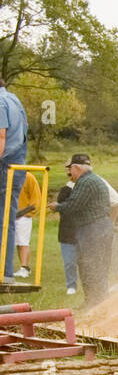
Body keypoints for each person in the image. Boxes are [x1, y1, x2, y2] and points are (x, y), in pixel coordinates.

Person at [48, 154, 112, 306]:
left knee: (89, 267)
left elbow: (73, 205)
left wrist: (57, 207)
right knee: (99, 267)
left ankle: (94, 302)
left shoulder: (84, 182)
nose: (70, 172)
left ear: (76, 167)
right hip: (103, 227)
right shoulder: (96, 180)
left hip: (92, 229)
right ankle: (100, 301)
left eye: (70, 168)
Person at [0, 76, 28, 285]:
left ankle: (4, 272)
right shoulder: (14, 100)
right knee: (6, 221)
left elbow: (1, 136)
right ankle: (6, 271)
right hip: (17, 164)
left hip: (3, 164)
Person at [54, 162, 78, 295]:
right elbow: (63, 209)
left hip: (83, 230)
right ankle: (71, 285)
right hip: (67, 231)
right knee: (69, 262)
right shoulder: (65, 190)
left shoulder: (85, 188)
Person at [13, 170, 40, 278]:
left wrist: (26, 213)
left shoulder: (28, 177)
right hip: (8, 215)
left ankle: (24, 268)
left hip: (23, 216)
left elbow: (36, 200)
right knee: (11, 243)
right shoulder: (6, 175)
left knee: (22, 243)